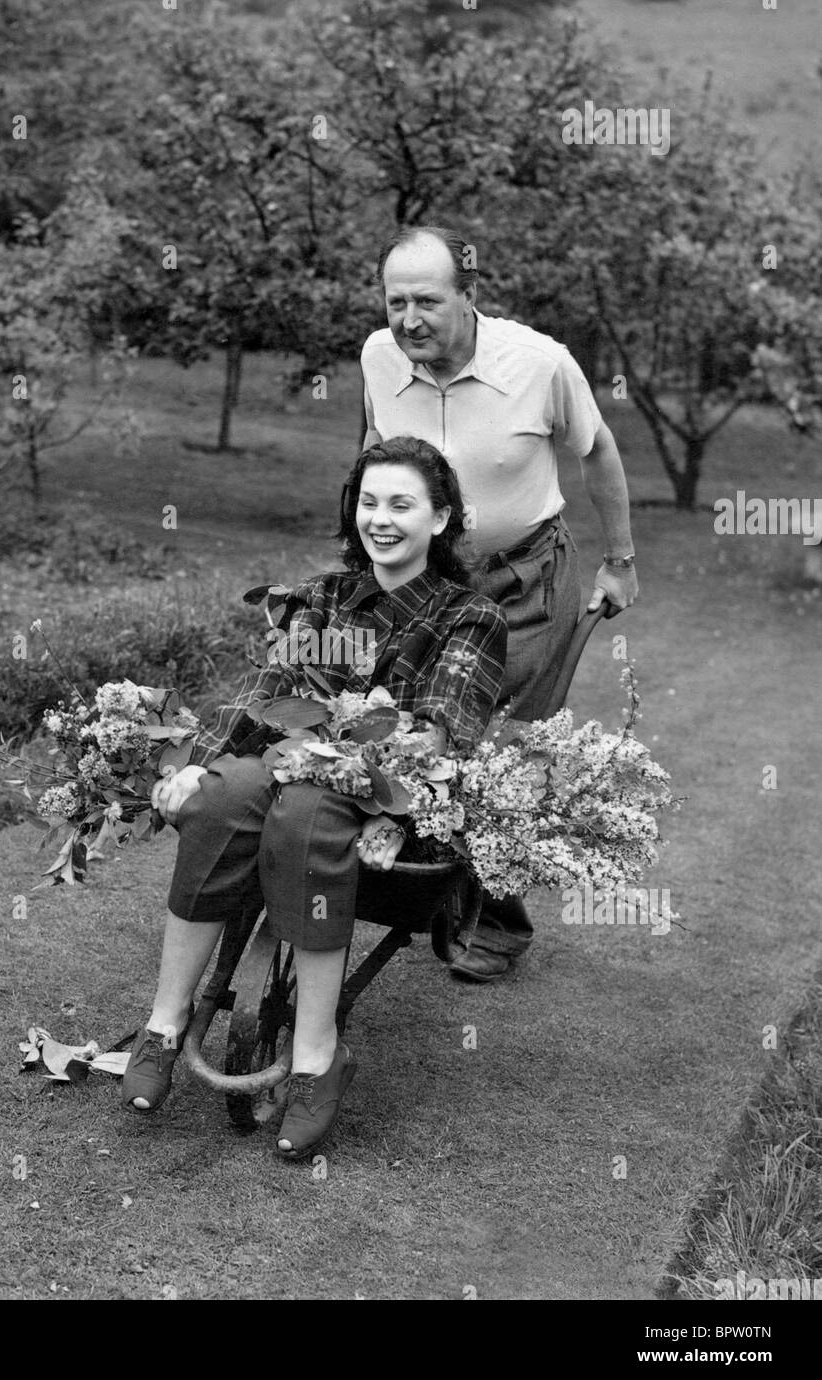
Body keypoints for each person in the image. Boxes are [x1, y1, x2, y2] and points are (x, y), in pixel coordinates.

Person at [122, 437, 506, 1156]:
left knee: (302, 814)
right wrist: (195, 765)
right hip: (291, 758)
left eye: (401, 504)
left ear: (442, 516)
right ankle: (164, 1025)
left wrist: (346, 750)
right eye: (368, 502)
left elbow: (439, 729)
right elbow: (269, 693)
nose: (380, 519)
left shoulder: (468, 617)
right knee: (217, 799)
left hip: (386, 794)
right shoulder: (324, 597)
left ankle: (314, 1053)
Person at [361, 225, 639, 983]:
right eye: (396, 301)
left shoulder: (540, 363)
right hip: (430, 586)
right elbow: (374, 451)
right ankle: (421, 883)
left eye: (428, 300)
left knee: (499, 746)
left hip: (527, 583)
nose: (409, 319)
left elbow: (600, 451)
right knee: (408, 723)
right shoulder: (378, 359)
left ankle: (500, 923)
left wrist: (619, 561)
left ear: (470, 294)